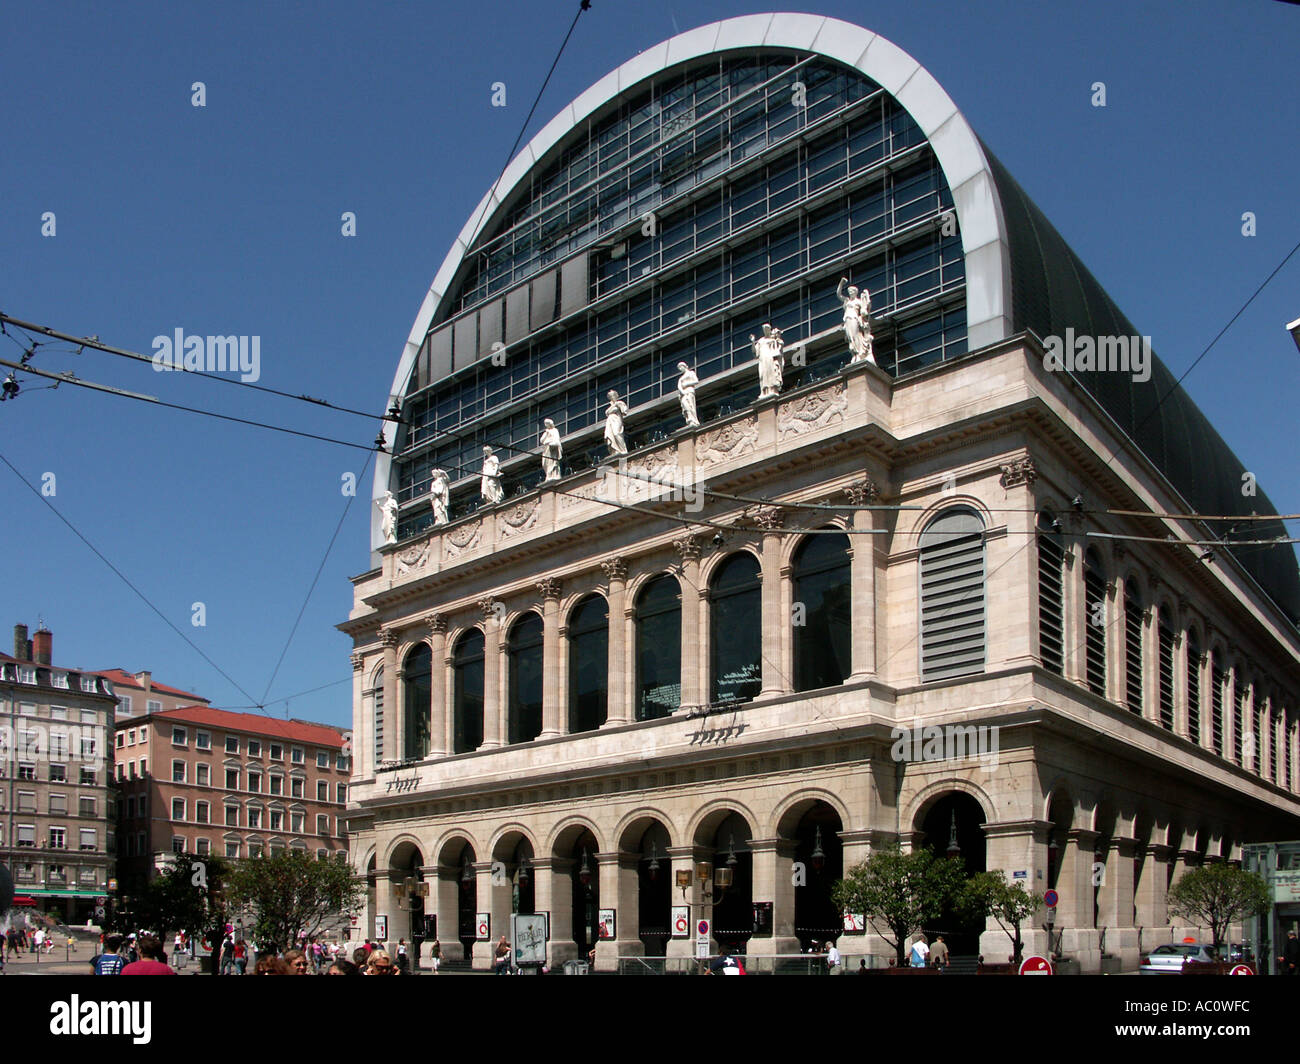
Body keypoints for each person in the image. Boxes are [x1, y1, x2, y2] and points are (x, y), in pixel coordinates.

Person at [836, 277, 875, 365]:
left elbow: (865, 311)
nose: (850, 293)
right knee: (850, 337)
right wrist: (841, 283)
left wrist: (867, 299)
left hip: (854, 319)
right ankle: (855, 354)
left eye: (852, 291)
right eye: (849, 291)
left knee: (855, 336)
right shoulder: (847, 300)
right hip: (847, 320)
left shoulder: (858, 301)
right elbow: (838, 294)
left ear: (855, 292)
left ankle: (859, 354)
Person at [604, 390, 629, 456]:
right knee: (610, 435)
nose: (613, 397)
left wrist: (619, 406)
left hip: (617, 419)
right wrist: (614, 405)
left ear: (616, 396)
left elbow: (624, 411)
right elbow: (606, 412)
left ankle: (623, 450)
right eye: (611, 396)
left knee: (616, 433)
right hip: (610, 421)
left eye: (613, 395)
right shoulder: (612, 405)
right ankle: (615, 451)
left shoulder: (619, 403)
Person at [676, 362, 700, 428]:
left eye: (681, 367)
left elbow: (696, 381)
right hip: (683, 393)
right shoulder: (681, 378)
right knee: (685, 404)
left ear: (684, 366)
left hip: (689, 390)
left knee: (690, 405)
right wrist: (682, 391)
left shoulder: (691, 373)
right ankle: (689, 418)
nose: (680, 369)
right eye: (679, 368)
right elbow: (679, 386)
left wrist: (687, 384)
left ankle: (693, 420)